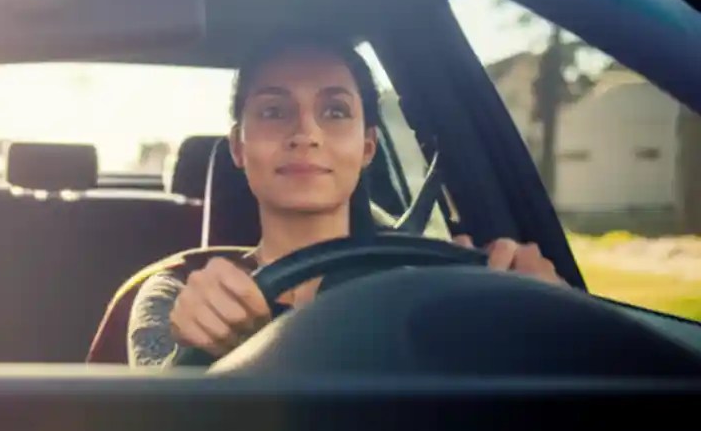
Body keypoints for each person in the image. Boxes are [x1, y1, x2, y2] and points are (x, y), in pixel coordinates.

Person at [128, 35, 563, 367]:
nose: (306, 134)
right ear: (239, 148)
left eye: (335, 112)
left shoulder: (437, 290)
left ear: (367, 147)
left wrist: (553, 323)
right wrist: (192, 349)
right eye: (274, 111)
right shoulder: (175, 291)